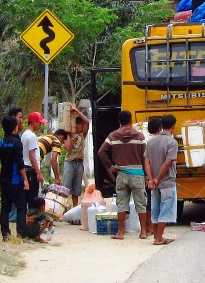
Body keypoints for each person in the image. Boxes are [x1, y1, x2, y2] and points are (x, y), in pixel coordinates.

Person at [97, 109, 150, 240]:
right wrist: (146, 174)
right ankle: (143, 232)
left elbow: (101, 152)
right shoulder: (139, 136)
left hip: (121, 174)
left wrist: (110, 166)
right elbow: (145, 157)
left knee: (122, 204)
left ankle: (120, 232)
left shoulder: (112, 136)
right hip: (138, 173)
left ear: (119, 122)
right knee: (141, 204)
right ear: (131, 121)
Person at [0, 115, 29, 241]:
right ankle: (21, 234)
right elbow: (20, 163)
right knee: (21, 207)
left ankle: (5, 234)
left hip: (4, 181)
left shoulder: (0, 143)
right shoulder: (17, 143)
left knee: (5, 207)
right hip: (15, 180)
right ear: (15, 128)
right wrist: (25, 179)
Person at [145, 114, 179, 246]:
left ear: (161, 126)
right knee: (165, 210)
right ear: (173, 127)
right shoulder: (172, 142)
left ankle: (156, 237)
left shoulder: (151, 141)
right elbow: (167, 163)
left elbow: (146, 162)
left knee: (155, 209)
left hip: (154, 183)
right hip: (166, 182)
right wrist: (158, 179)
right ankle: (159, 238)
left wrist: (151, 179)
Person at [63, 105, 90, 207]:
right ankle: (62, 209)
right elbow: (68, 148)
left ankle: (75, 208)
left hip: (79, 162)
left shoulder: (82, 135)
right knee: (65, 188)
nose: (81, 127)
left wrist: (77, 111)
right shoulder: (69, 135)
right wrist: (69, 135)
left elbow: (87, 122)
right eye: (79, 125)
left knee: (76, 189)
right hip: (70, 162)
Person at [21, 112, 47, 207]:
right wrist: (38, 172)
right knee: (33, 198)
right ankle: (32, 218)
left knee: (27, 197)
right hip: (31, 169)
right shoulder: (31, 136)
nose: (40, 125)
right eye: (39, 123)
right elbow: (32, 155)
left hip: (26, 168)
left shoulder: (24, 134)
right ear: (34, 122)